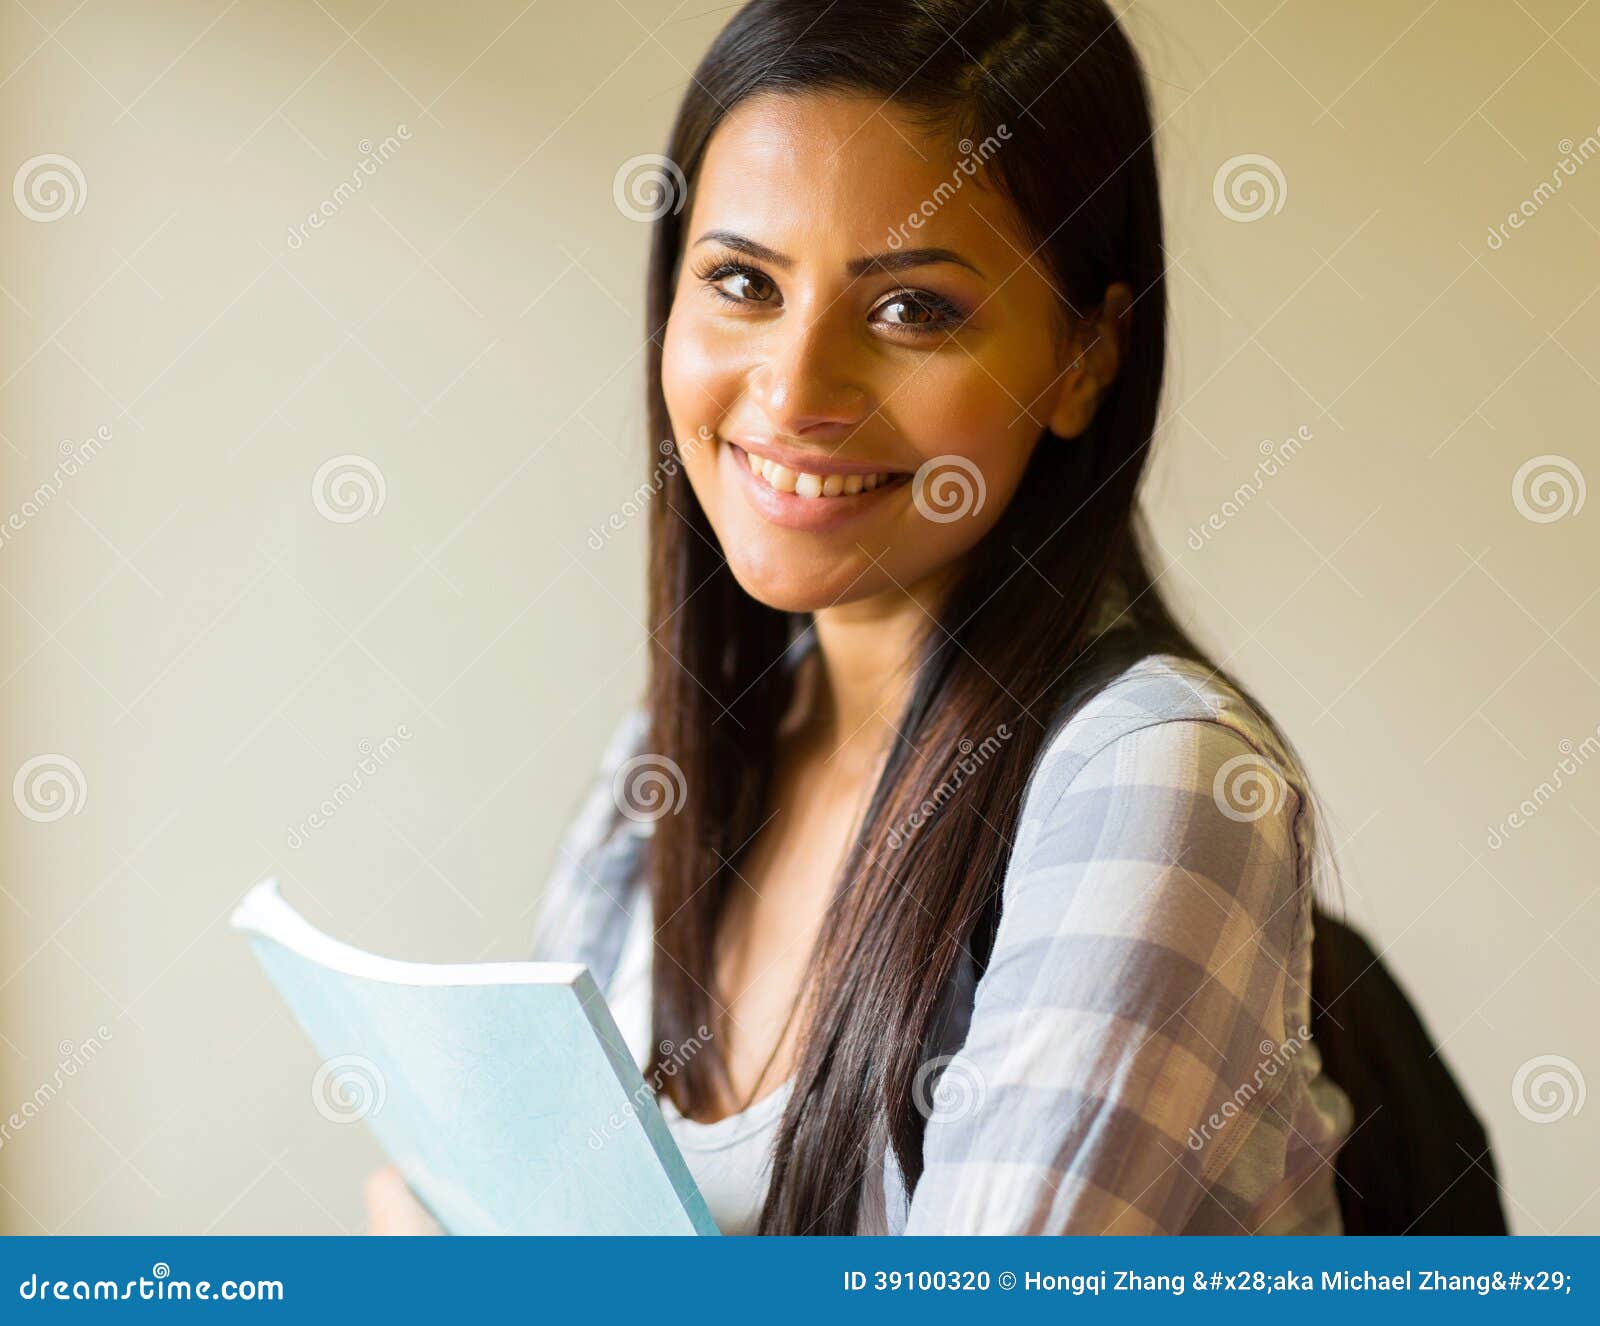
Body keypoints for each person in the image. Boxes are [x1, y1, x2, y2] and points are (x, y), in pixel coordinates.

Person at [369, 0, 1353, 1236]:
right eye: (741, 282)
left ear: (1083, 358)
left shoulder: (1154, 779)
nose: (792, 393)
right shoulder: (673, 758)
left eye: (910, 312)